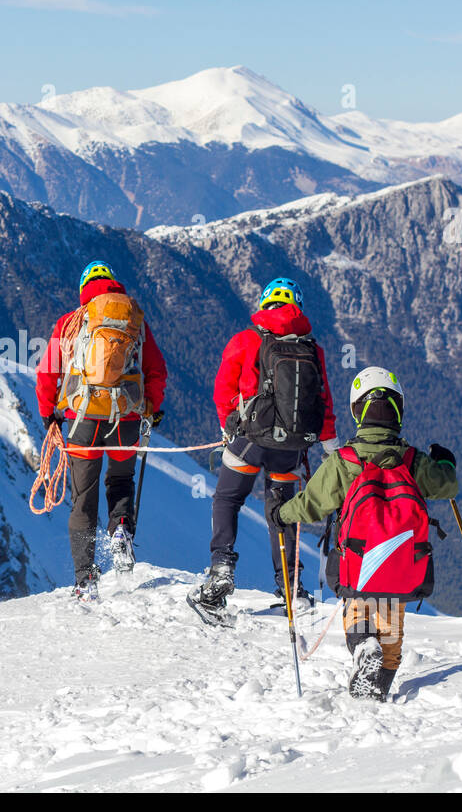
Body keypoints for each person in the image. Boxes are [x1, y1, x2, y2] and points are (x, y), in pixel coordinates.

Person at [270, 366, 458, 702]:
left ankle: (362, 647)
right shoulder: (413, 461)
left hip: (357, 562)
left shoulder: (345, 461)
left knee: (358, 609)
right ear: (398, 410)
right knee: (391, 628)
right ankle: (377, 691)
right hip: (402, 566)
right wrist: (445, 462)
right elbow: (448, 486)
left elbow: (311, 505)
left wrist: (279, 513)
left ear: (358, 412)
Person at [189, 277, 337, 619]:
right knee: (281, 513)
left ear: (264, 303)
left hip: (251, 440)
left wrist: (228, 424)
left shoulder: (246, 340)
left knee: (228, 498)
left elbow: (223, 387)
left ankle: (221, 569)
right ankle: (292, 588)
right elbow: (323, 399)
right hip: (292, 447)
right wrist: (329, 442)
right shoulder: (313, 348)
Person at [36, 260, 167, 597]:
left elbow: (47, 371)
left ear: (84, 291)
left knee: (83, 498)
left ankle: (85, 579)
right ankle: (121, 530)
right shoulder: (134, 319)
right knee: (121, 480)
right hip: (125, 418)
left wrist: (48, 414)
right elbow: (156, 368)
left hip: (83, 420)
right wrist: (151, 407)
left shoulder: (72, 321)